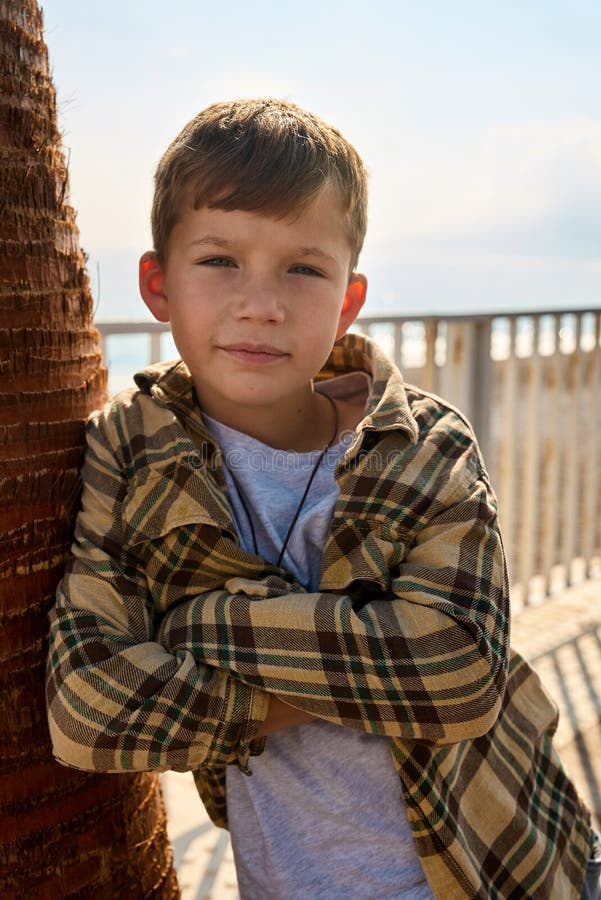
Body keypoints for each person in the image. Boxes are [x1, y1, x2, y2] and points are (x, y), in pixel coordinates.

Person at [46, 98, 599, 899]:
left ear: (346, 298)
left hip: (501, 865)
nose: (260, 302)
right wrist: (367, 662)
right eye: (219, 261)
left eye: (302, 269)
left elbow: (457, 672)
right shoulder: (127, 452)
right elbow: (89, 710)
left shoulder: (422, 443)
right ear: (157, 285)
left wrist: (200, 626)